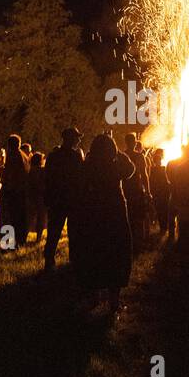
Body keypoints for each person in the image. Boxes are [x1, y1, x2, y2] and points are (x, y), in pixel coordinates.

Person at [73, 133, 135, 315]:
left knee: (95, 252)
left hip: (94, 213)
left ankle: (94, 295)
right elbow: (130, 171)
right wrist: (120, 153)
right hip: (115, 212)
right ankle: (114, 301)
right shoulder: (116, 165)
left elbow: (80, 185)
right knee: (117, 253)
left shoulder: (88, 165)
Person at [43, 128, 84, 269]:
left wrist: (48, 197)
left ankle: (49, 259)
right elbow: (80, 179)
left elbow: (47, 178)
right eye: (77, 138)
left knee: (53, 231)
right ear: (72, 139)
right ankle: (74, 259)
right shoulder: (76, 156)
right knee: (73, 231)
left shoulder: (53, 156)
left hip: (56, 199)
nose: (79, 140)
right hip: (71, 199)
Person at [0, 135, 30, 245]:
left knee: (9, 217)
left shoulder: (12, 156)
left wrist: (5, 183)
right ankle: (20, 241)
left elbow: (10, 175)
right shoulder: (24, 156)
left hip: (13, 191)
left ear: (9, 145)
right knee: (20, 217)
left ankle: (8, 243)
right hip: (22, 191)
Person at [122, 133, 151, 248]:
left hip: (125, 190)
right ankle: (138, 243)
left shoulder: (122, 156)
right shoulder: (139, 157)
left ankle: (128, 242)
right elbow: (144, 175)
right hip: (136, 190)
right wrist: (148, 192)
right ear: (134, 142)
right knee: (138, 217)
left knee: (128, 216)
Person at [148, 147, 171, 238]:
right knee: (164, 209)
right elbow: (167, 181)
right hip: (163, 192)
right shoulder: (162, 169)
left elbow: (151, 181)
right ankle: (164, 227)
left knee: (160, 210)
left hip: (158, 192)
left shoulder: (152, 170)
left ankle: (163, 227)